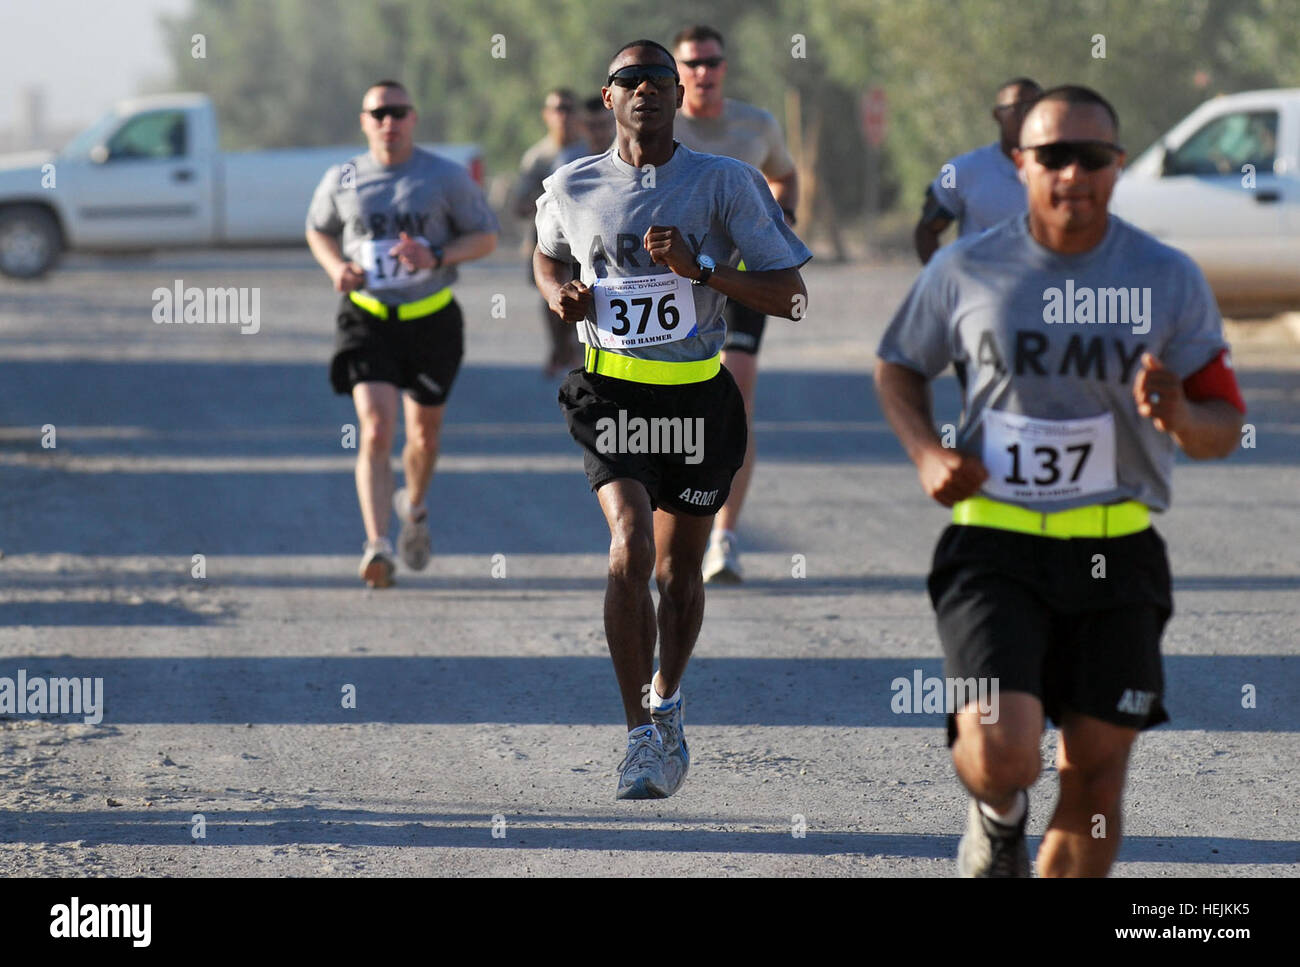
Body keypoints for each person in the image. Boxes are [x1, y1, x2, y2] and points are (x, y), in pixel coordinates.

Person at [875, 85, 1245, 876]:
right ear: (1020, 164)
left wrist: (1180, 413)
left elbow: (1224, 425)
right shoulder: (967, 266)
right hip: (992, 544)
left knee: (1098, 776)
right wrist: (926, 453)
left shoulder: (1166, 276)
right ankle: (997, 815)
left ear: (1117, 165)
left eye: (1093, 157)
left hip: (1119, 553)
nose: (1073, 172)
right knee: (1002, 749)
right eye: (1053, 156)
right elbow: (899, 364)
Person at [534, 40, 811, 799]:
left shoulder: (727, 183)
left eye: (662, 80)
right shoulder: (571, 184)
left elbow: (791, 297)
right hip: (610, 392)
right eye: (632, 80)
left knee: (678, 573)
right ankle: (637, 738)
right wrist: (560, 292)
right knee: (627, 545)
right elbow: (546, 254)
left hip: (695, 394)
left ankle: (669, 698)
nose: (648, 90)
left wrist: (704, 272)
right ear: (609, 96)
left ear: (680, 97)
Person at [306, 80, 498, 587]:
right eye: (378, 113)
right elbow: (319, 229)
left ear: (413, 118)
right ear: (364, 121)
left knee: (423, 436)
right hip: (366, 318)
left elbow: (485, 237)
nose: (388, 122)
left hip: (431, 319)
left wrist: (436, 255)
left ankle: (413, 508)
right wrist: (335, 268)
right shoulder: (342, 176)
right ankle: (377, 545)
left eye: (399, 112)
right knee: (374, 427)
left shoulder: (444, 176)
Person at [670, 24, 800, 584]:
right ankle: (677, 522)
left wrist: (776, 224)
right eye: (692, 63)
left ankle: (724, 537)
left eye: (712, 61)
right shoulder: (660, 123)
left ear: (724, 66)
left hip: (738, 280)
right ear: (676, 71)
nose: (703, 71)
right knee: (675, 402)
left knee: (736, 400)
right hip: (673, 285)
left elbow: (784, 176)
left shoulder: (756, 124)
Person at [914, 78, 1043, 264]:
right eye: (1019, 108)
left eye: (1035, 108)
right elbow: (927, 231)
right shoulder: (960, 170)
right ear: (997, 115)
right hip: (982, 287)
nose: (1027, 116)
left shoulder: (1066, 171)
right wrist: (942, 281)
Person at [511, 89, 589, 377]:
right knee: (551, 292)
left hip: (584, 237)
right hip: (546, 238)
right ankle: (559, 347)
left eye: (569, 108)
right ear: (547, 115)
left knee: (583, 291)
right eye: (557, 109)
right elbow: (518, 205)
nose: (563, 116)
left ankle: (580, 350)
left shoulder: (590, 150)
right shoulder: (537, 157)